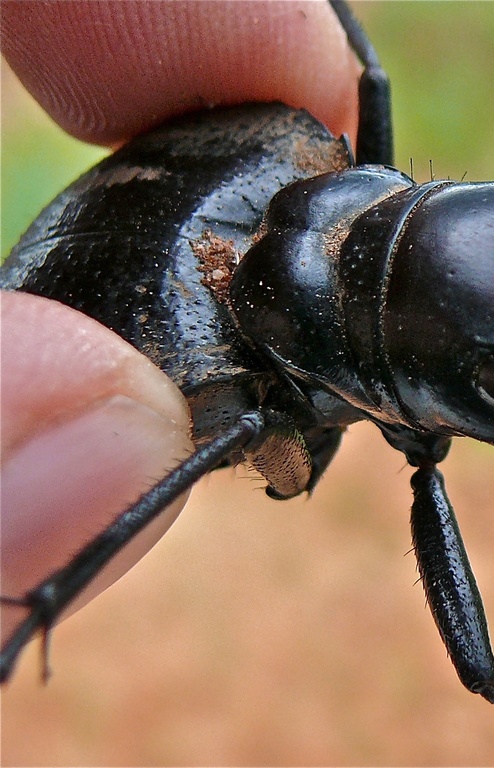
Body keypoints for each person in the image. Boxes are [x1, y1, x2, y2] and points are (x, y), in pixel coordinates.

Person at [1, 0, 362, 649]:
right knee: (263, 437)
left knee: (269, 440)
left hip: (237, 173)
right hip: (144, 322)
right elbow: (285, 464)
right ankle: (40, 600)